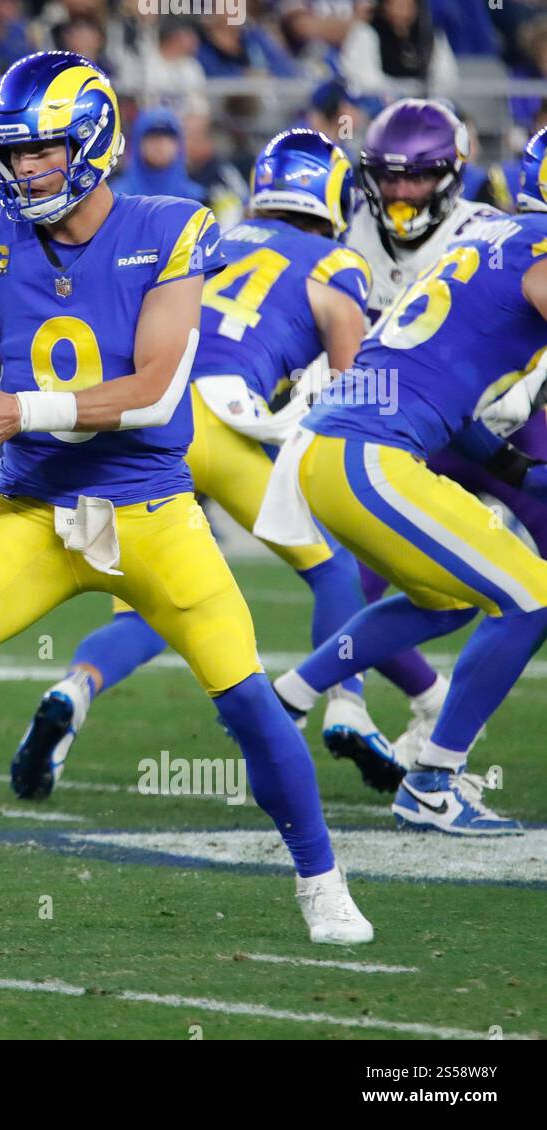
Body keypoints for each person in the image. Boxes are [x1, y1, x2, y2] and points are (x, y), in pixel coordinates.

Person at [0, 51, 372, 945]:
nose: (23, 169)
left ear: (95, 143)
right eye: (13, 153)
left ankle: (321, 878)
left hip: (148, 507)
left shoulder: (169, 226)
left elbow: (152, 390)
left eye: (42, 152)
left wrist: (20, 408)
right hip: (28, 509)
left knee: (247, 700)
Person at [12, 129, 390, 798]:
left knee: (155, 601)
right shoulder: (337, 261)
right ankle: (348, 707)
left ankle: (75, 688)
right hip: (228, 421)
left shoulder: (209, 238)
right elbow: (351, 385)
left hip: (152, 419)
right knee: (332, 569)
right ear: (331, 193)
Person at [262, 126, 547, 836]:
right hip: (366, 455)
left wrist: (512, 467)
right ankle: (432, 783)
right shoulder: (533, 246)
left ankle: (287, 697)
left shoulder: (489, 238)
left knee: (448, 600)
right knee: (531, 598)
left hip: (332, 450)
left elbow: (436, 384)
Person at [337, 99, 547, 769]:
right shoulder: (353, 237)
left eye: (419, 176)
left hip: (506, 422)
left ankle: (312, 693)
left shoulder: (486, 226)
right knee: (357, 577)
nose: (400, 191)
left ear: (452, 175)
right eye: (389, 176)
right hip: (415, 430)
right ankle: (358, 702)